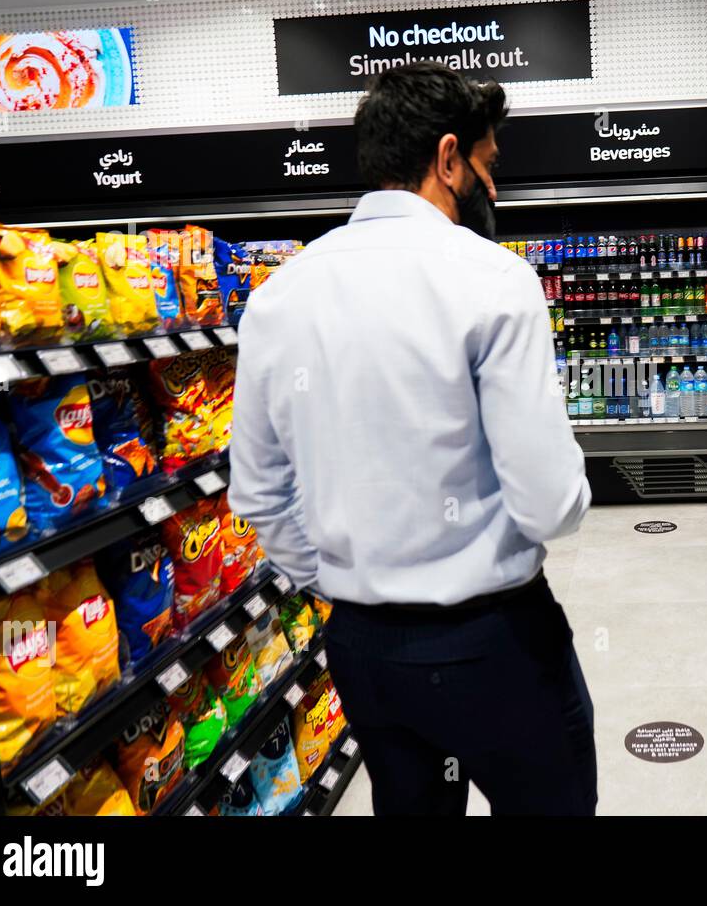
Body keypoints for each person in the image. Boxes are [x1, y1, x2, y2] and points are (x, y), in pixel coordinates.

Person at [228, 62, 595, 815]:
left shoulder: (277, 298)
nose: (492, 188)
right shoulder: (494, 280)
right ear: (450, 157)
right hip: (497, 645)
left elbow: (258, 494)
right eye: (488, 165)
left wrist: (337, 576)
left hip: (364, 651)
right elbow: (550, 502)